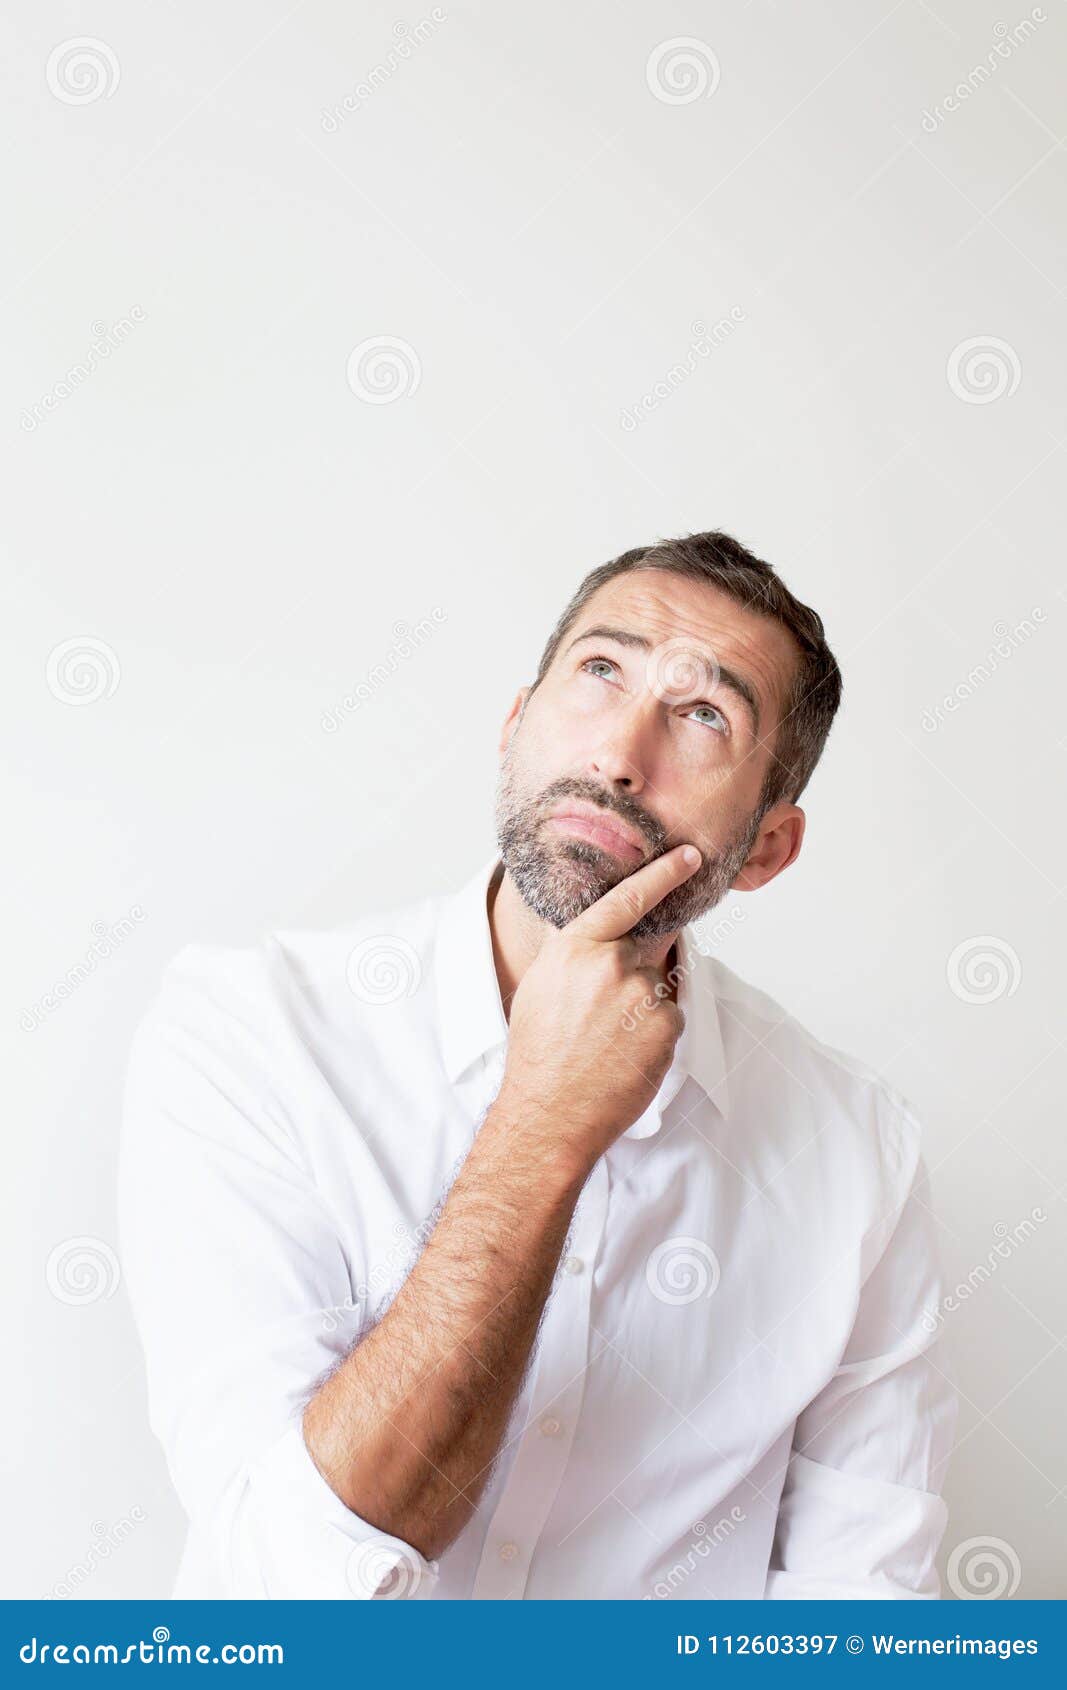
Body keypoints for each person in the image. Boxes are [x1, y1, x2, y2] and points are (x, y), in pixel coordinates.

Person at [119, 530, 957, 1600]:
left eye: (704, 714)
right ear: (515, 725)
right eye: (599, 671)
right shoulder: (250, 1035)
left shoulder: (858, 1150)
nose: (618, 752)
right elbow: (292, 1587)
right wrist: (543, 1125)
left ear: (765, 848)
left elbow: (861, 1629)